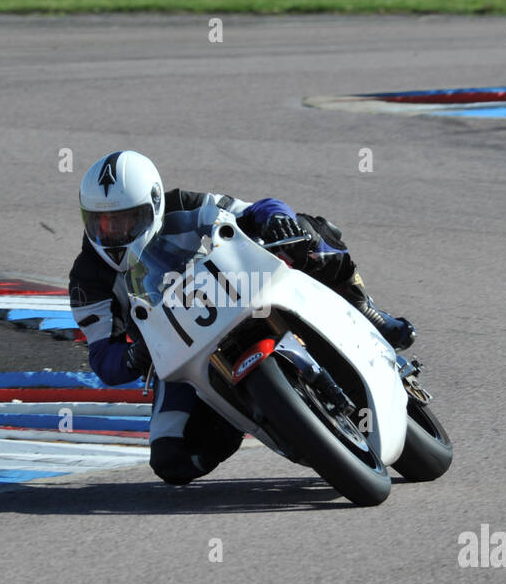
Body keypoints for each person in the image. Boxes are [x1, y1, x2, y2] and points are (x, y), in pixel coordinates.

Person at [69, 150, 415, 486]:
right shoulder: (87, 279)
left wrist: (277, 220)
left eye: (126, 220)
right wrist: (135, 355)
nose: (112, 233)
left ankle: (365, 309)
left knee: (306, 230)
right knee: (171, 459)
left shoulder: (185, 206)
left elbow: (256, 209)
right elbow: (103, 357)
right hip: (180, 352)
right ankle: (239, 414)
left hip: (245, 293)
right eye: (100, 223)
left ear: (154, 204)